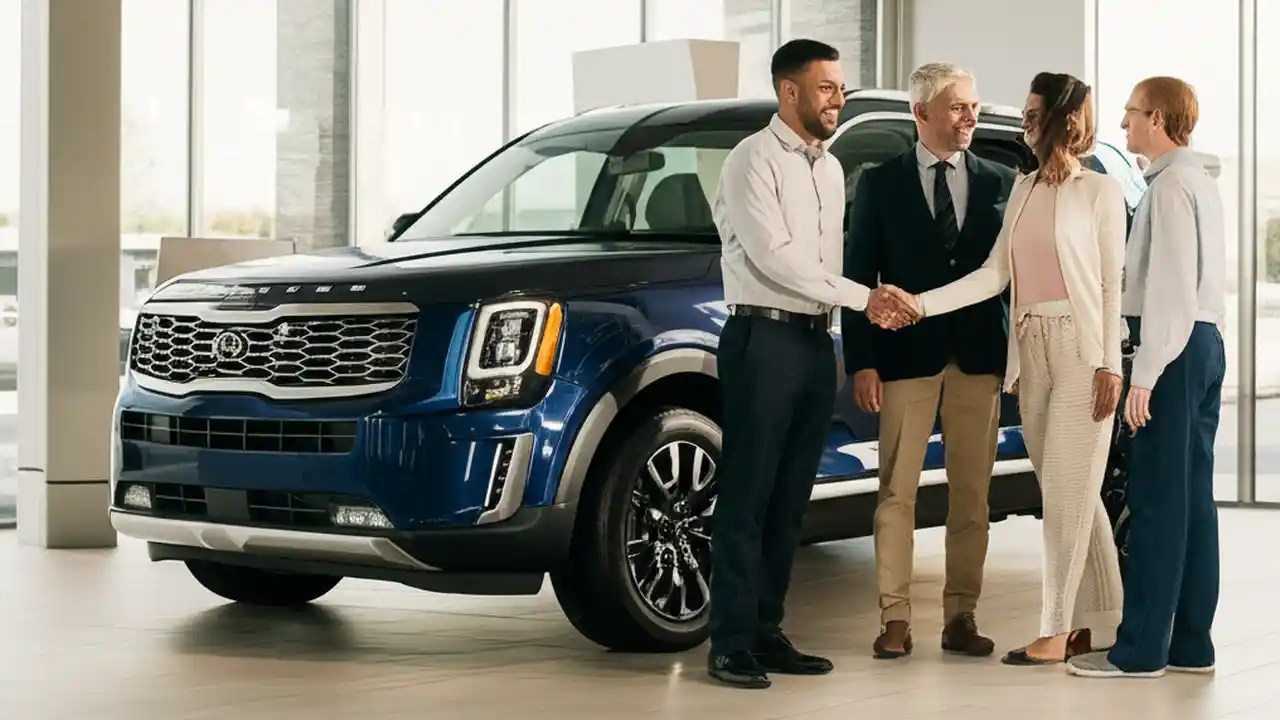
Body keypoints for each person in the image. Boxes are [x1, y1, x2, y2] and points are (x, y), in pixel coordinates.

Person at [880, 71, 1128, 665]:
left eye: (1034, 110)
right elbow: (993, 275)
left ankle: (1055, 629)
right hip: (1031, 352)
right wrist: (920, 303)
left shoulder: (1101, 192)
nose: (1024, 119)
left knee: (1068, 500)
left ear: (1065, 118)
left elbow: (1110, 285)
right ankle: (1109, 620)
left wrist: (1109, 366)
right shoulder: (1023, 188)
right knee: (1073, 494)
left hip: (1081, 352)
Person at [707, 38, 909, 689]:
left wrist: (847, 315)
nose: (838, 99)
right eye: (827, 88)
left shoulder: (827, 169)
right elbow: (778, 260)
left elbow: (824, 270)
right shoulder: (751, 162)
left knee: (791, 499)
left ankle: (766, 630)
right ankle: (730, 642)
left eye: (841, 88)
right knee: (747, 495)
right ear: (788, 92)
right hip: (761, 341)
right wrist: (865, 298)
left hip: (815, 344)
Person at [842, 62, 1016, 660]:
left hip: (978, 359)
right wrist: (861, 361)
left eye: (974, 106)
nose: (972, 117)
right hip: (903, 359)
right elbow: (858, 274)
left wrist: (1017, 360)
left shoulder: (1003, 180)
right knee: (896, 492)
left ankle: (961, 615)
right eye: (958, 107)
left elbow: (1009, 281)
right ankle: (894, 616)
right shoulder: (879, 182)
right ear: (922, 113)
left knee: (972, 495)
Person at [1068, 76, 1226, 680]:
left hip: (1175, 349)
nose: (1123, 126)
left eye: (1131, 115)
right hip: (1203, 344)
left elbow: (1169, 289)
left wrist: (1146, 375)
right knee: (1192, 503)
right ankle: (1190, 646)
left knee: (1157, 502)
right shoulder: (1198, 181)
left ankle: (1139, 652)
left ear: (1157, 118)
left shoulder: (1168, 188)